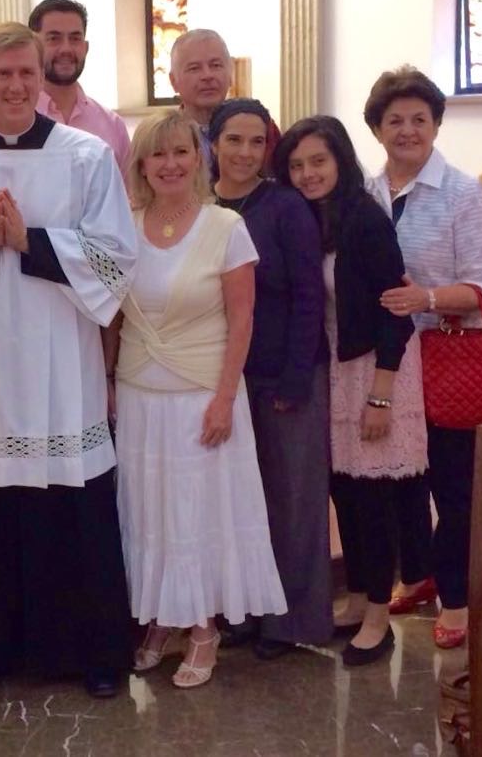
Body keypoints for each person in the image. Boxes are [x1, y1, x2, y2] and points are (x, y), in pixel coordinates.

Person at [0, 22, 139, 697]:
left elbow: (115, 258)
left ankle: (87, 654)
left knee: (70, 501)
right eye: (1, 73)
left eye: (26, 73)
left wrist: (31, 242)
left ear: (42, 78)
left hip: (61, 362)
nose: (14, 85)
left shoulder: (86, 157)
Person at [111, 111, 285, 689]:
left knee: (194, 510)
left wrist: (224, 398)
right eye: (157, 155)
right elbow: (111, 316)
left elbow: (243, 319)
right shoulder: (125, 224)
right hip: (140, 392)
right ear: (140, 164)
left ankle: (203, 627)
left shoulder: (224, 227)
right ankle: (161, 619)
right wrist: (110, 382)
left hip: (201, 395)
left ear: (199, 158)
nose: (170, 165)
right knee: (149, 509)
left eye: (181, 152)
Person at [277, 116, 426, 667]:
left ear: (340, 159)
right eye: (296, 165)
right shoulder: (312, 220)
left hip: (375, 368)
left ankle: (380, 618)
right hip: (337, 368)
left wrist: (381, 397)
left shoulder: (365, 218)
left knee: (373, 499)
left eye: (318, 161)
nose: (308, 173)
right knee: (346, 490)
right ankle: (361, 596)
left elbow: (397, 314)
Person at [364, 67, 482, 649]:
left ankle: (459, 597)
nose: (408, 130)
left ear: (437, 124)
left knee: (452, 486)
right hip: (385, 366)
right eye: (395, 120)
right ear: (376, 128)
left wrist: (425, 298)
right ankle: (417, 575)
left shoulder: (464, 193)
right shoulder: (365, 193)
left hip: (446, 360)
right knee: (400, 482)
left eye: (420, 119)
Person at [207, 100, 332, 659]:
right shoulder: (198, 204)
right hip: (220, 377)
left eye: (257, 143)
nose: (245, 153)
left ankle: (291, 620)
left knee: (292, 499)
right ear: (213, 142)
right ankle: (244, 610)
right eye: (234, 140)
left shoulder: (284, 207)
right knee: (238, 502)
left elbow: (310, 296)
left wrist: (296, 378)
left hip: (285, 374)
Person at [26, 0, 130, 169]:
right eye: (54, 38)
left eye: (75, 39)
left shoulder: (113, 126)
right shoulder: (14, 122)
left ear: (86, 48)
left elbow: (129, 193)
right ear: (33, 47)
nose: (66, 49)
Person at [168, 28, 279, 172]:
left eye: (216, 65)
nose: (207, 76)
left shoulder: (261, 128)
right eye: (194, 68)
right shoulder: (162, 136)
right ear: (173, 81)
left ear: (230, 74)